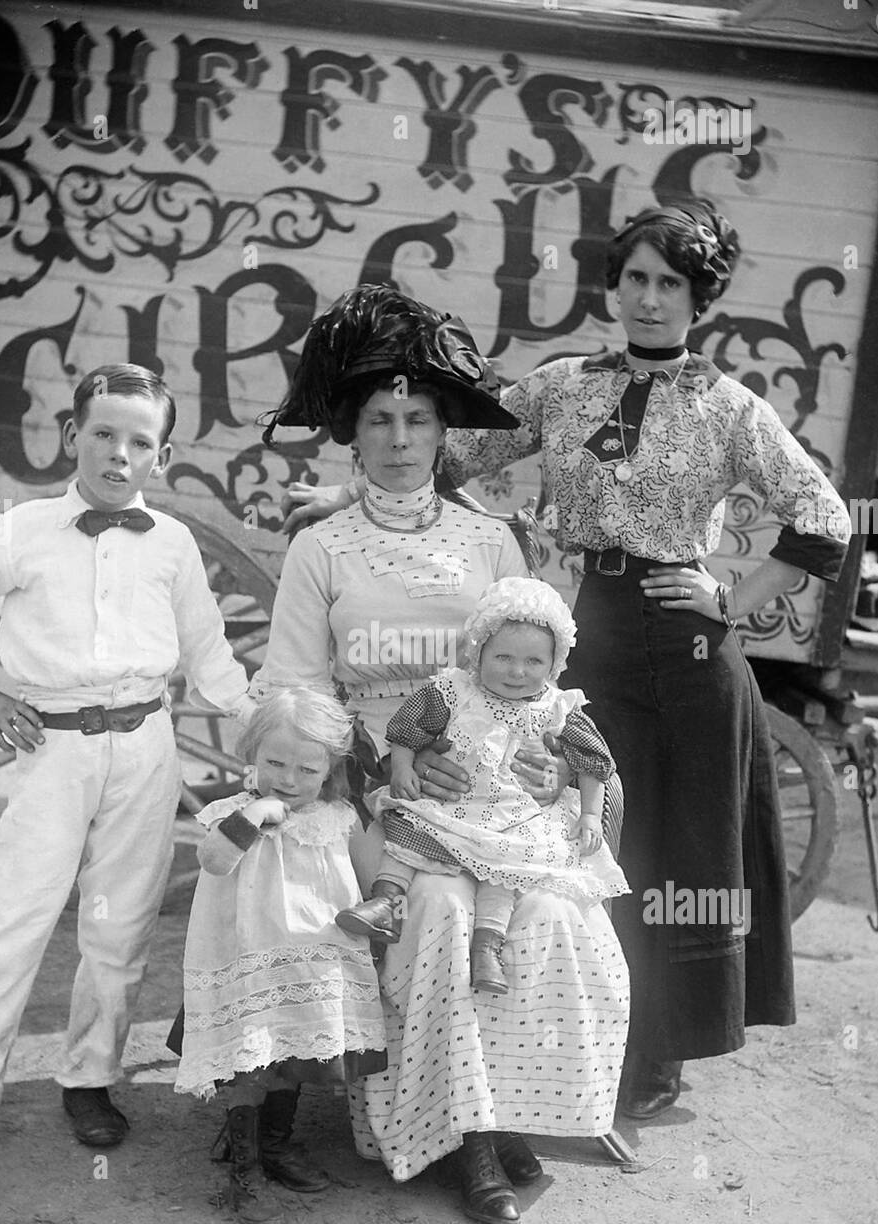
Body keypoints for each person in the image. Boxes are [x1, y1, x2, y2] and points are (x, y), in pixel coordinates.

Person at [285, 204, 852, 1121]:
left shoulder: (728, 405)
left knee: (683, 850)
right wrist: (346, 494)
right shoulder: (562, 386)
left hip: (692, 641)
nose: (650, 299)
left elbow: (821, 516)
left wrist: (731, 602)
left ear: (698, 296)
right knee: (592, 834)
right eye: (634, 278)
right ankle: (592, 1032)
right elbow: (444, 455)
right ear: (613, 286)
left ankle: (665, 1051)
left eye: (671, 282)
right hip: (593, 632)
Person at [255, 285, 630, 1224]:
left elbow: (532, 675)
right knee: (433, 905)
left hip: (498, 786)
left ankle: (501, 1115)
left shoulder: (489, 540)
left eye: (415, 418)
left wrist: (547, 767)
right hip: (377, 785)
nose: (396, 437)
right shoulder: (322, 548)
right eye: (377, 419)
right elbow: (293, 694)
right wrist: (382, 768)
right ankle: (456, 1142)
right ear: (352, 432)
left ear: (439, 432)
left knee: (548, 904)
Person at [0, 363, 255, 1180]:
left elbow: (213, 662)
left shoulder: (172, 545)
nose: (117, 455)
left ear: (162, 455)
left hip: (145, 749)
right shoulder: (18, 532)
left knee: (120, 925)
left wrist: (283, 738)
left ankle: (90, 1078)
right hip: (50, 750)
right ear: (72, 436)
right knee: (11, 918)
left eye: (138, 442)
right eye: (102, 434)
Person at [336, 576, 629, 995]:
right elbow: (408, 728)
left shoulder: (559, 707)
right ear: (479, 652)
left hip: (515, 815)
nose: (516, 671)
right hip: (453, 803)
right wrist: (402, 766)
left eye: (533, 662)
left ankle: (488, 948)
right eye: (503, 657)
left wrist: (589, 815)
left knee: (506, 870)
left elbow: (594, 762)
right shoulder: (454, 691)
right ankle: (386, 902)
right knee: (413, 831)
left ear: (554, 664)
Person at [170, 687, 387, 1224]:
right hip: (251, 958)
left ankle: (275, 1143)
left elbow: (367, 876)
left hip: (309, 962)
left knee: (292, 1058)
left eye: (305, 769)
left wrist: (380, 908)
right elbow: (215, 862)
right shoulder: (232, 813)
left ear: (331, 768)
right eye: (274, 763)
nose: (288, 780)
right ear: (251, 753)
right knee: (252, 1062)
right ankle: (243, 1165)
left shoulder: (337, 818)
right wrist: (254, 816)